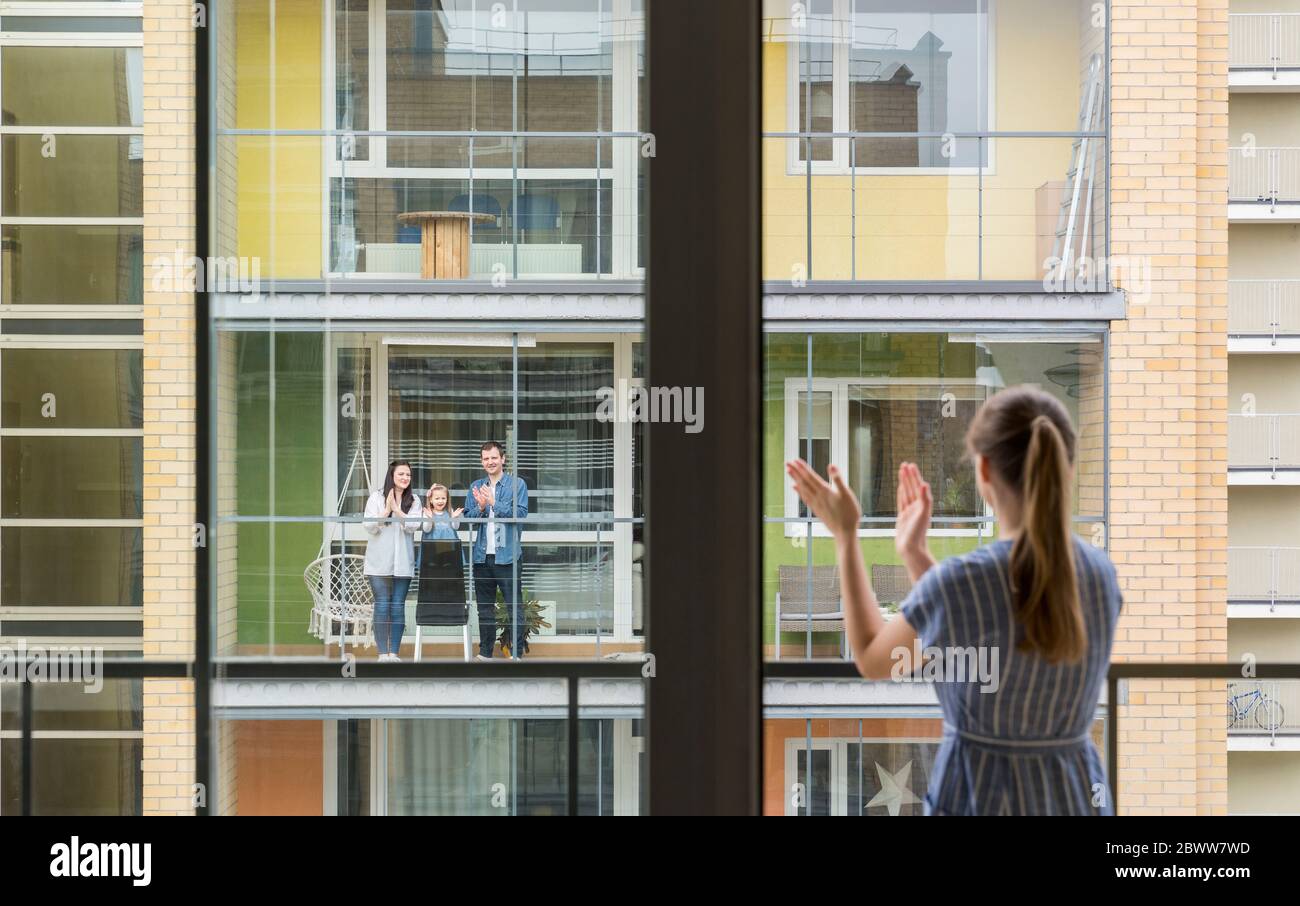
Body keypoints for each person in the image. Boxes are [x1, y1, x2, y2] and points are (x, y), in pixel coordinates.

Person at [786, 386, 1122, 815]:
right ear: (1065, 467)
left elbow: (873, 657)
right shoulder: (1100, 576)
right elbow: (991, 625)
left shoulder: (962, 581)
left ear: (983, 471)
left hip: (979, 795)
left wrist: (846, 536)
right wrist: (916, 556)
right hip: (1073, 794)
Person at [464, 441, 529, 660]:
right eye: (485, 459)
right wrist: (481, 507)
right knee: (484, 609)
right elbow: (468, 519)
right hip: (482, 557)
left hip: (508, 556)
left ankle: (516, 654)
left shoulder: (516, 484)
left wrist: (493, 503)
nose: (490, 462)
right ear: (482, 462)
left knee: (514, 608)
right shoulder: (476, 485)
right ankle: (485, 654)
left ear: (502, 459)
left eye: (494, 458)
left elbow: (520, 514)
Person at [363, 460, 424, 662]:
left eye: (408, 474)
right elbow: (370, 526)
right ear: (392, 475)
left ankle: (394, 653)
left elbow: (414, 525)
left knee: (398, 605)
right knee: (382, 605)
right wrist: (386, 510)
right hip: (378, 561)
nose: (405, 478)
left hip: (403, 561)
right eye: (401, 474)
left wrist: (397, 510)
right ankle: (382, 654)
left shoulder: (414, 500)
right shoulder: (376, 497)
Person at [415, 484, 467, 649]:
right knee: (433, 582)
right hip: (432, 557)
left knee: (450, 581)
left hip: (449, 556)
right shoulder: (427, 513)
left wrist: (455, 517)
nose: (440, 501)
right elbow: (427, 528)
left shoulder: (449, 513)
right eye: (437, 498)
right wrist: (429, 517)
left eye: (443, 498)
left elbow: (455, 527)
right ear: (431, 499)